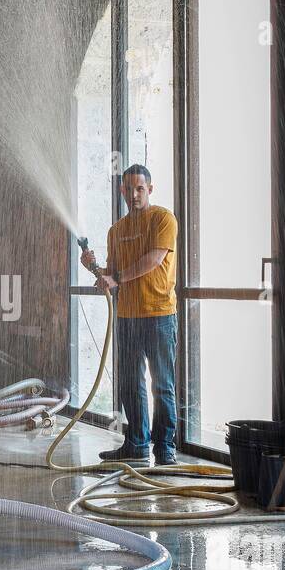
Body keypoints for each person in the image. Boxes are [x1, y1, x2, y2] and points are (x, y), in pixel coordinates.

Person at [81, 165, 178, 466]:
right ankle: (136, 444)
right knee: (129, 383)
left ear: (150, 189)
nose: (135, 194)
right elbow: (112, 274)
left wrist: (117, 278)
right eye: (129, 189)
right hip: (127, 317)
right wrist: (93, 268)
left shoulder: (163, 219)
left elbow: (153, 260)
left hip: (159, 314)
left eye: (140, 188)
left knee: (162, 384)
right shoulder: (116, 231)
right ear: (122, 191)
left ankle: (165, 451)